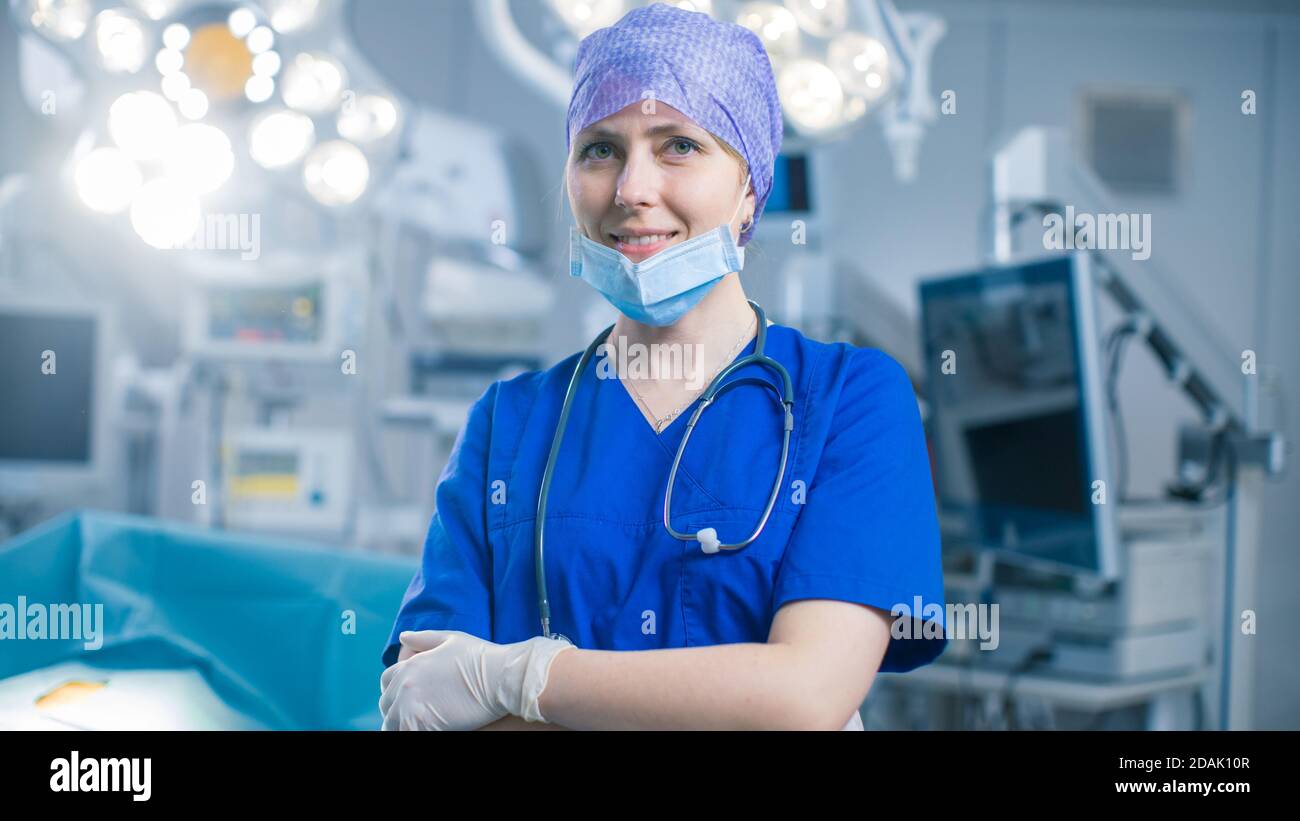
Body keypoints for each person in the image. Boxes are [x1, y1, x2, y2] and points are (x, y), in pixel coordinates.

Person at [378, 2, 946, 731]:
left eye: (678, 145)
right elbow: (423, 704)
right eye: (600, 149)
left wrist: (515, 676)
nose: (631, 189)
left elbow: (804, 696)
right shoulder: (509, 422)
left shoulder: (851, 400)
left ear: (749, 189)